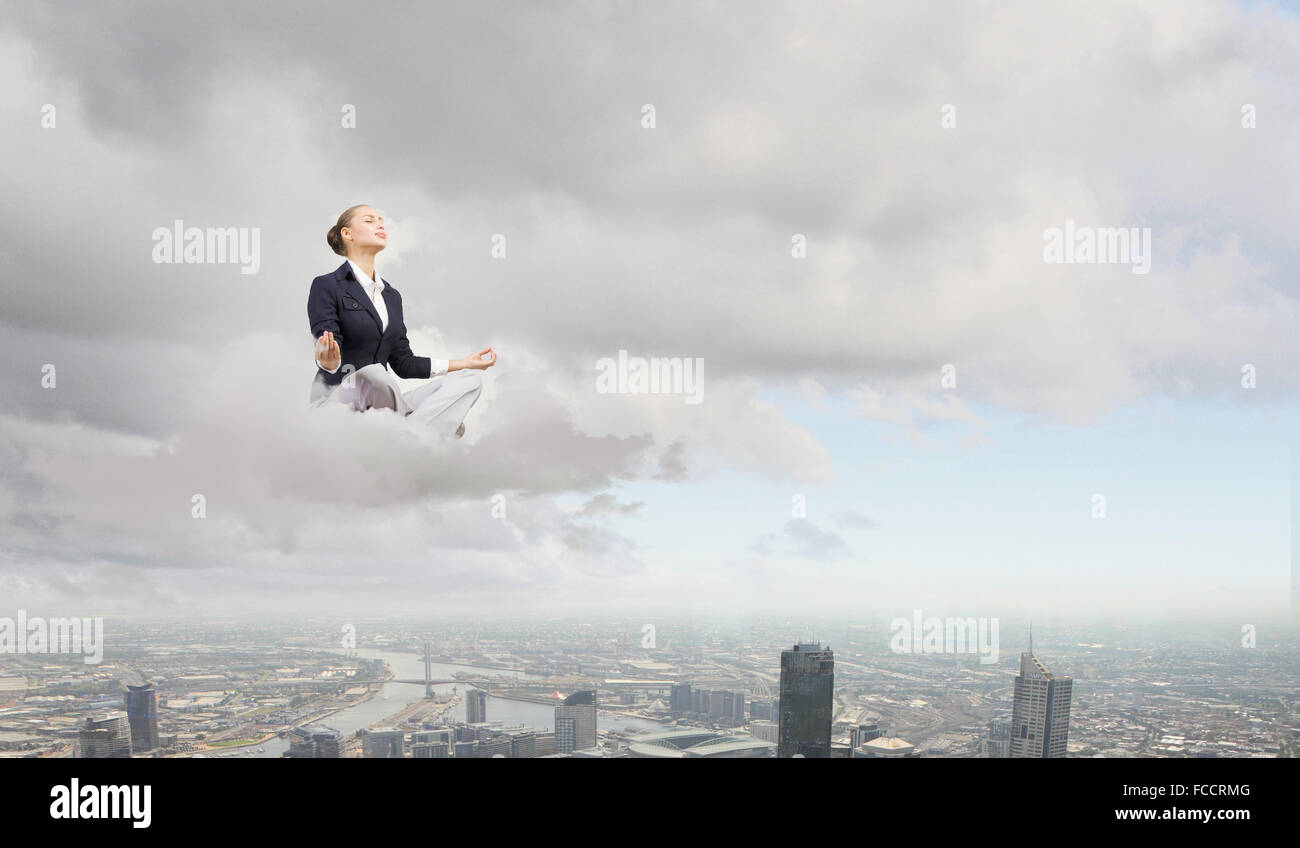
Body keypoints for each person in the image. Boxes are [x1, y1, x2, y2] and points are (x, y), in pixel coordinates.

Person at [307, 204, 496, 437]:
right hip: (339, 401)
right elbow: (327, 342)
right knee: (375, 374)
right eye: (369, 220)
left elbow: (403, 363)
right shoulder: (327, 285)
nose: (380, 223)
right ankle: (423, 431)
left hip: (383, 406)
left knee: (469, 382)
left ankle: (408, 436)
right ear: (348, 234)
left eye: (381, 220)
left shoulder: (392, 297)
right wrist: (329, 362)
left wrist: (464, 362)